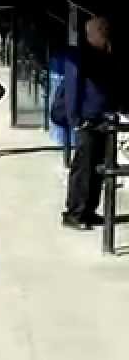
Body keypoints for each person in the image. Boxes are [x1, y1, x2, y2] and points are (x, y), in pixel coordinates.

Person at [62, 16, 117, 230]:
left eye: (106, 29)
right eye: (101, 30)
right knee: (83, 169)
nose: (105, 33)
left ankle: (89, 210)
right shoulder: (80, 57)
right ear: (91, 34)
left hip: (103, 119)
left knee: (98, 169)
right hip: (86, 121)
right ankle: (74, 213)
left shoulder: (107, 55)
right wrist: (76, 120)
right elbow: (72, 89)